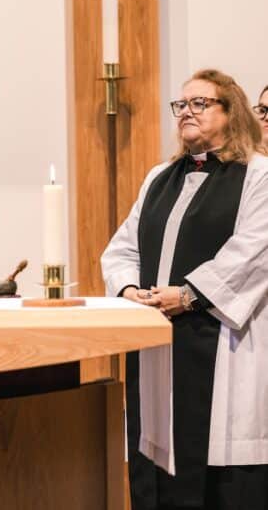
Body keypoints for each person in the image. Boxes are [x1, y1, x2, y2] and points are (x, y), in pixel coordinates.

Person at [101, 69, 268, 509]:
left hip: (222, 344)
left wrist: (188, 295)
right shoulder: (160, 177)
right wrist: (130, 290)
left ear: (231, 112)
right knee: (156, 462)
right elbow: (121, 249)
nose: (186, 112)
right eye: (181, 105)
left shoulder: (257, 175)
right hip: (158, 347)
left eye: (200, 103)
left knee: (217, 475)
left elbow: (254, 251)